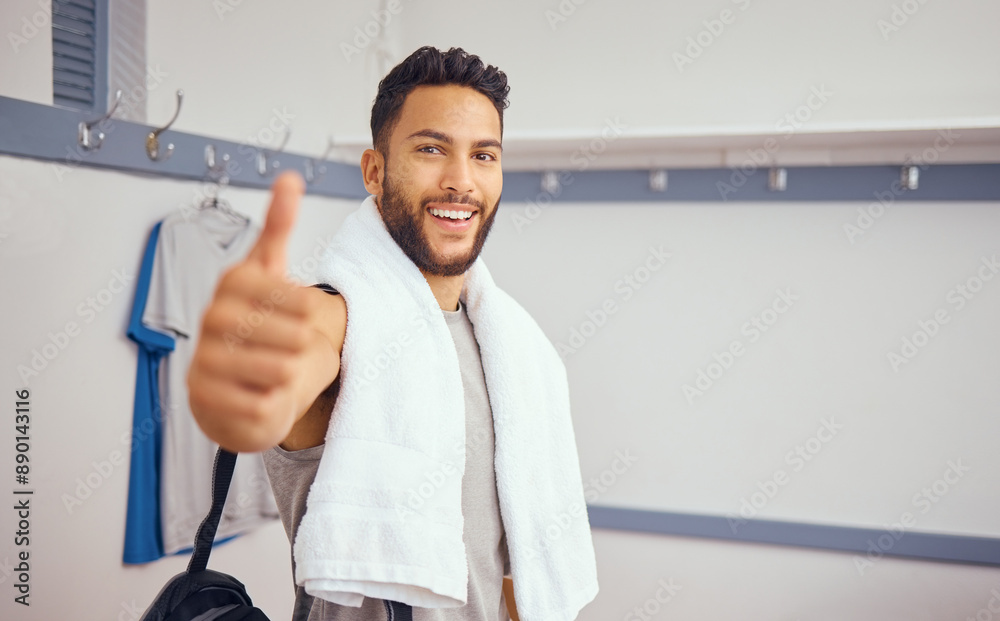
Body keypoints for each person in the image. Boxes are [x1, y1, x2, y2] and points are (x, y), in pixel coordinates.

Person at [187, 46, 592, 621]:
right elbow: (272, 385)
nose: (461, 181)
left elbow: (511, 562)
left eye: (483, 155)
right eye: (431, 149)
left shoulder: (515, 349)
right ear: (375, 172)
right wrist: (235, 387)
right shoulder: (335, 318)